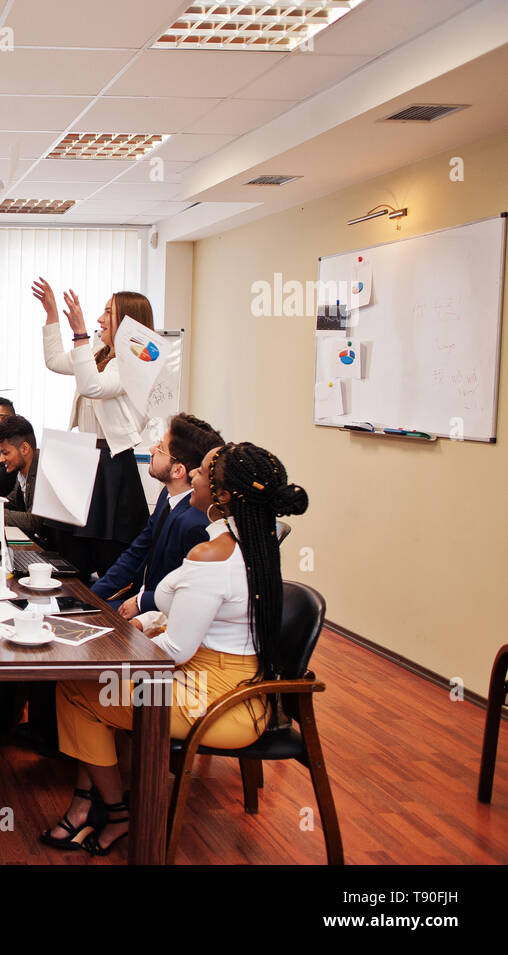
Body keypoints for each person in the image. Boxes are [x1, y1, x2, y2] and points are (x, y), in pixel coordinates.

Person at [40, 442, 308, 855]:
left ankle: (114, 811)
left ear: (220, 496)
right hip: (232, 684)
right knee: (83, 688)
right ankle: (93, 805)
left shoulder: (212, 556)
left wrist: (121, 642)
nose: (194, 478)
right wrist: (142, 624)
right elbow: (188, 616)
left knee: (77, 692)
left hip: (214, 698)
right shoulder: (249, 545)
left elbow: (177, 649)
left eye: (201, 473)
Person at [33, 277, 152, 580]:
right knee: (69, 554)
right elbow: (55, 361)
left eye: (108, 312)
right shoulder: (99, 351)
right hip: (84, 457)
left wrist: (80, 333)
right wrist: (52, 316)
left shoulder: (139, 358)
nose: (100, 319)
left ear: (128, 320)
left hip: (111, 465)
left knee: (107, 553)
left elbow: (92, 386)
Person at [92, 413, 223, 616]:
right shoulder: (167, 496)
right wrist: (91, 597)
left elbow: (182, 593)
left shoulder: (196, 523)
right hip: (139, 602)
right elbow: (136, 552)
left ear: (178, 471)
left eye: (160, 448)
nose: (152, 450)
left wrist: (141, 604)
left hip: (157, 616)